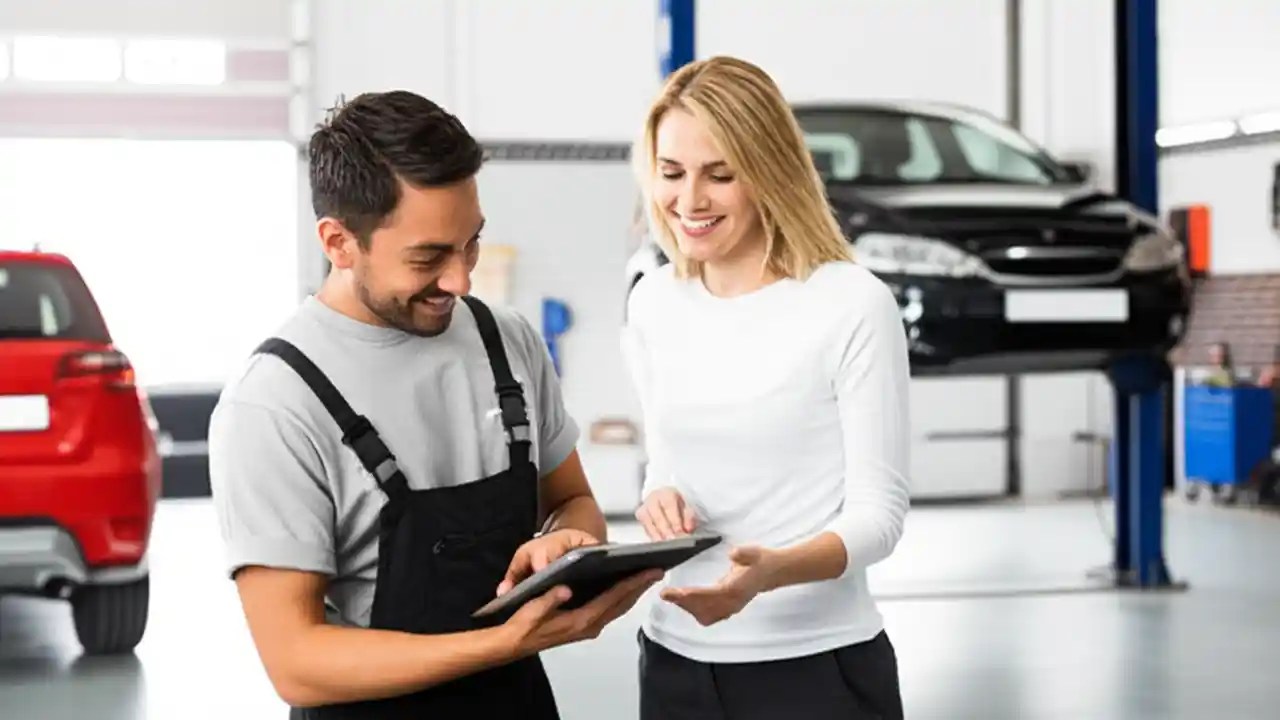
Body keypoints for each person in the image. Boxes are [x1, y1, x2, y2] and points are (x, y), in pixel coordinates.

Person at [208, 90, 660, 719]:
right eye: (428, 257)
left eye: (469, 243)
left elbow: (571, 502)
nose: (461, 280)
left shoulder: (507, 341)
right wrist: (500, 643)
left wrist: (568, 546)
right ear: (338, 242)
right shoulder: (275, 404)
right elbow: (296, 661)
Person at [622, 56, 911, 720]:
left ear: (769, 172)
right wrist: (658, 498)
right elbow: (665, 460)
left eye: (719, 175)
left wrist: (771, 572)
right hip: (675, 662)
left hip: (814, 667)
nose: (689, 201)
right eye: (672, 173)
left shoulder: (849, 304)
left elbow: (880, 518)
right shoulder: (653, 302)